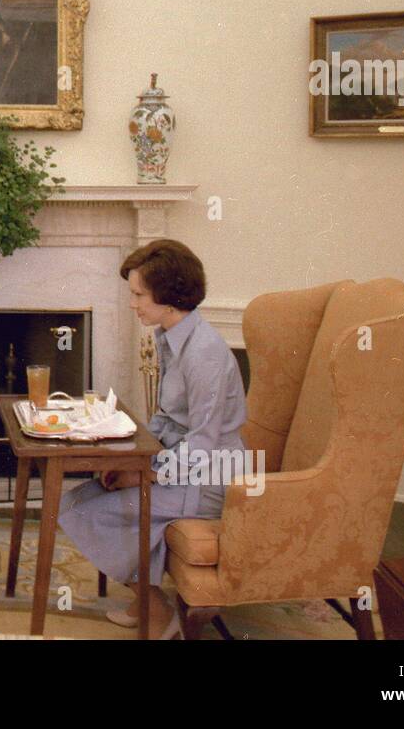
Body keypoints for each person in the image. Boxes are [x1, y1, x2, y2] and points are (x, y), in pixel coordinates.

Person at [57, 239, 248, 635]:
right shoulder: (171, 338)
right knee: (77, 499)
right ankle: (147, 597)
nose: (133, 304)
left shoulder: (204, 353)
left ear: (169, 295)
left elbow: (201, 444)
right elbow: (166, 418)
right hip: (183, 466)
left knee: (88, 512)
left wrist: (144, 476)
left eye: (139, 294)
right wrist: (129, 462)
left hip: (212, 479)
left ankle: (156, 607)